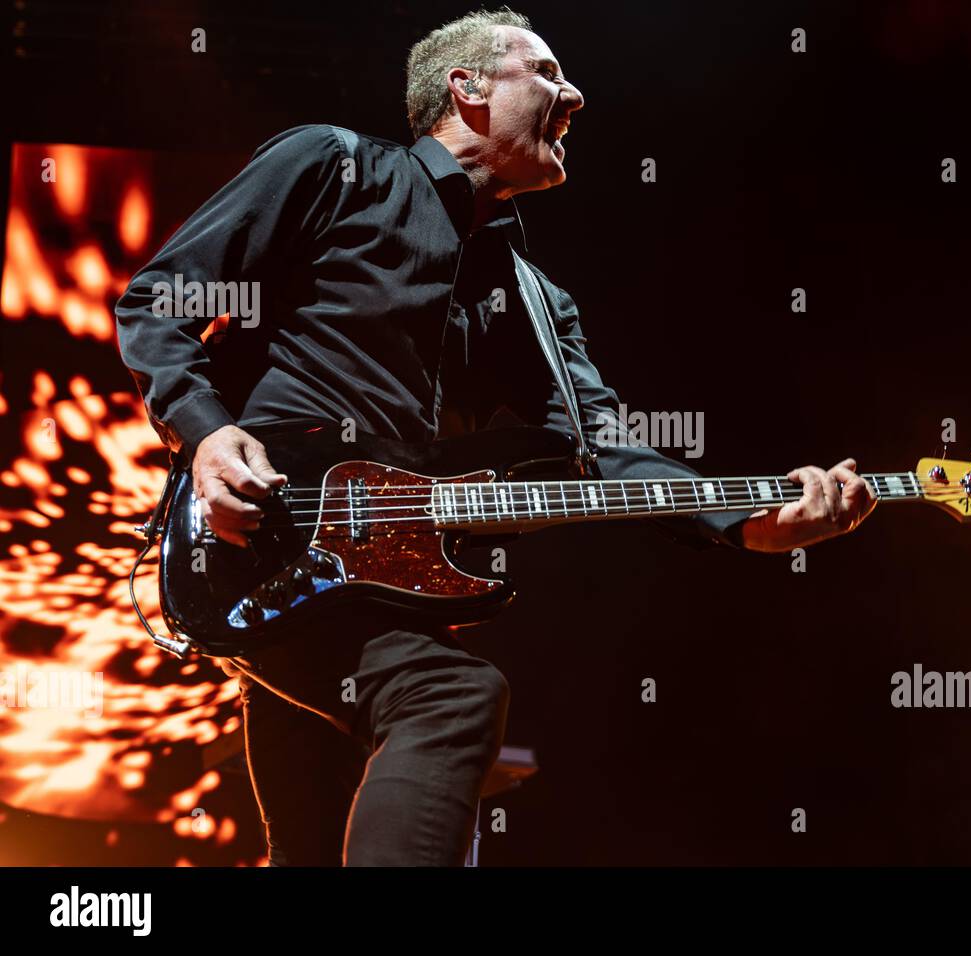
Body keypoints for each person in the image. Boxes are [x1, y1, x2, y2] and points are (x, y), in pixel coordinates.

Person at [114, 8, 874, 866]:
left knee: (323, 844)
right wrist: (209, 435)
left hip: (378, 576)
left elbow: (602, 450)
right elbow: (158, 301)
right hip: (263, 540)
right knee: (452, 698)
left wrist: (748, 520)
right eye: (546, 73)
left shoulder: (536, 301)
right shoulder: (335, 166)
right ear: (465, 89)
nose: (575, 95)